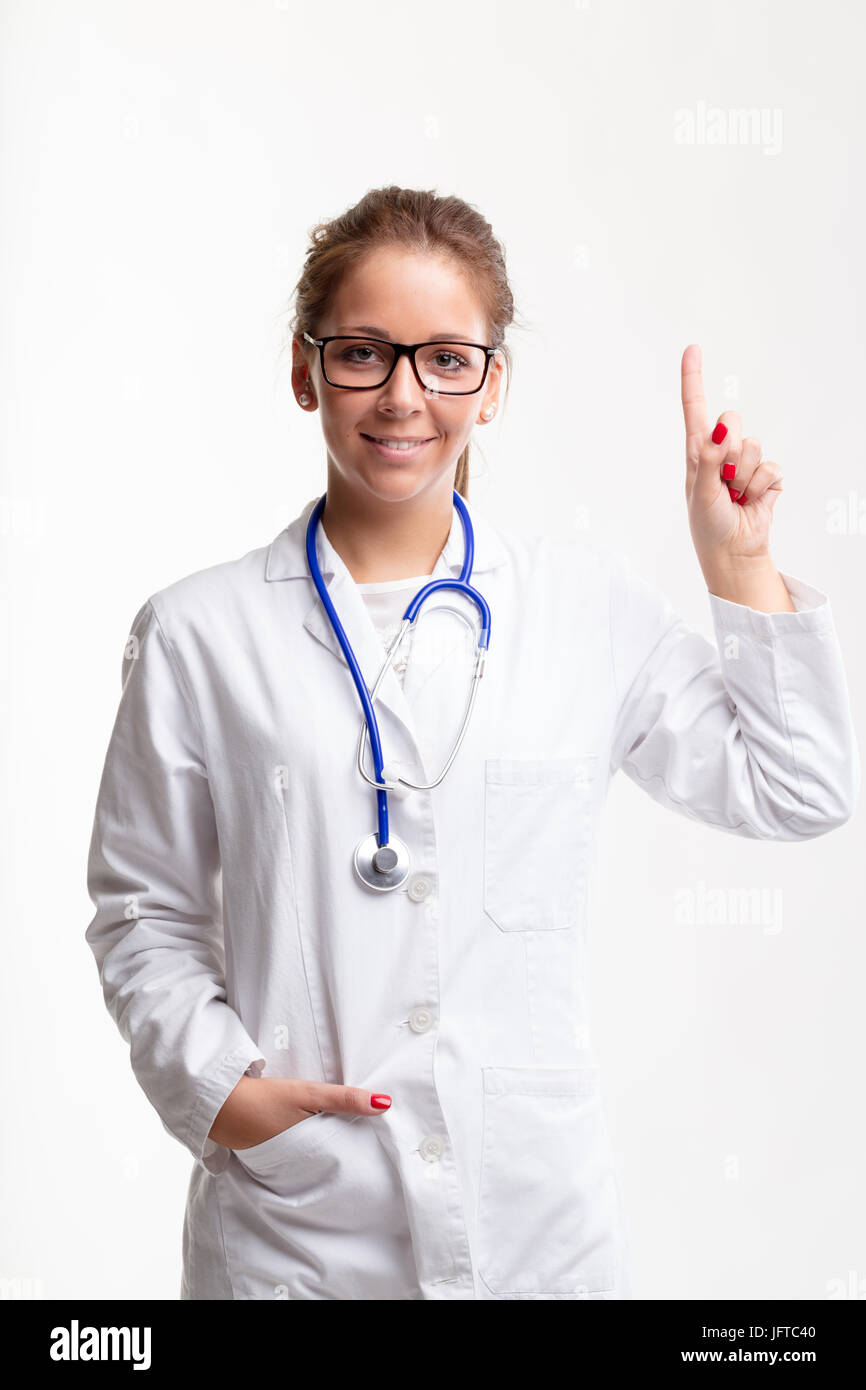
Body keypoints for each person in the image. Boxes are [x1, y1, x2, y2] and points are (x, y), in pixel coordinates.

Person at [84, 185, 859, 1301]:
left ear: (492, 385)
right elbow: (142, 910)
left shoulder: (583, 611)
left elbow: (799, 789)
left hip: (532, 1228)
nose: (404, 395)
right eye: (363, 352)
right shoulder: (199, 632)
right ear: (305, 370)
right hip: (298, 1236)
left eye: (447, 359)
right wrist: (224, 1094)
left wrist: (737, 563)